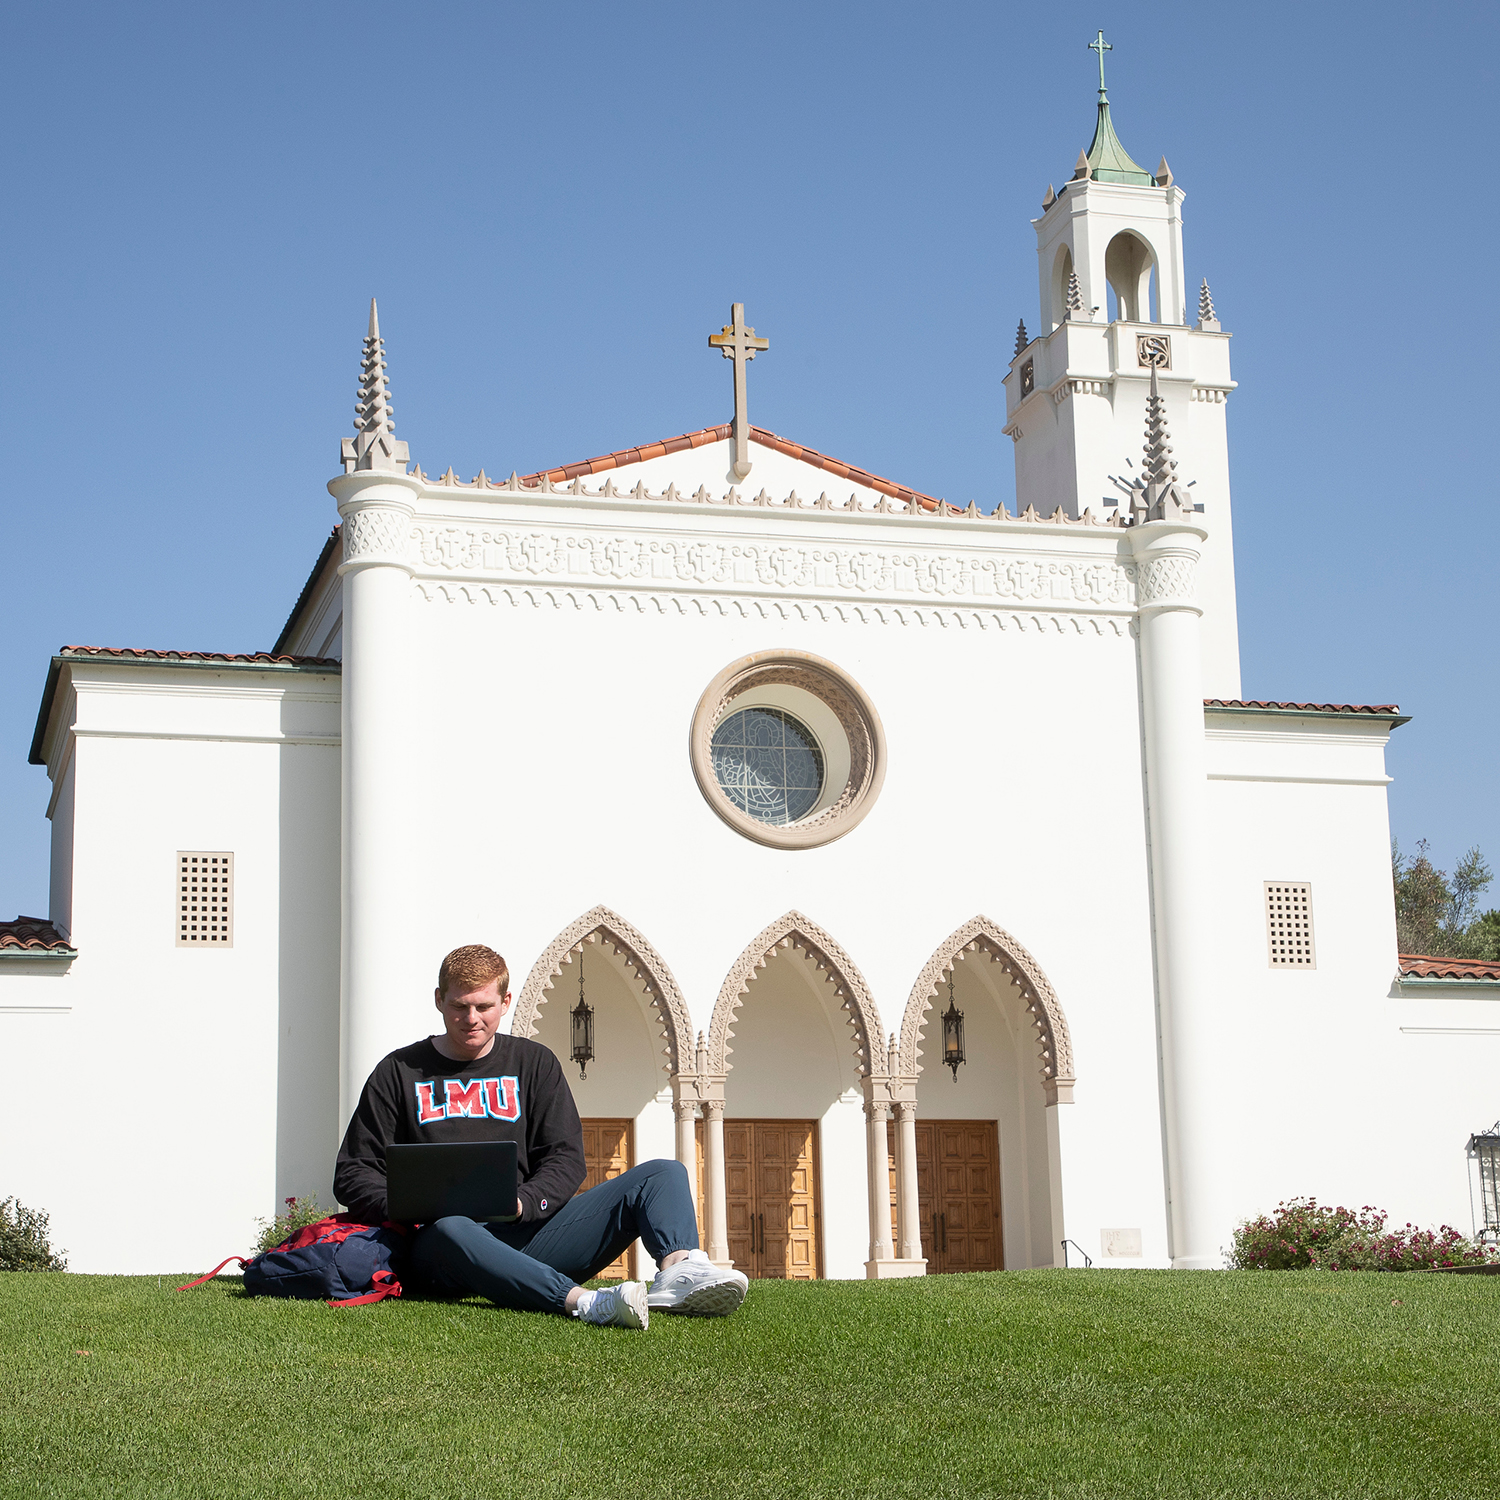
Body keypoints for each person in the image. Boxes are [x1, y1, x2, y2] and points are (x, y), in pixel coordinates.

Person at [334, 943, 748, 1329]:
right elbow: (353, 1172)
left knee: (663, 1174)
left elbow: (565, 1159)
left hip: (528, 1232)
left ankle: (680, 1274)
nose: (471, 1019)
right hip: (440, 1250)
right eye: (460, 1006)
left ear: (506, 1002)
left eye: (484, 1006)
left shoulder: (534, 1064)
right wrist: (410, 1205)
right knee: (451, 1226)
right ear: (439, 999)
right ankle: (584, 1302)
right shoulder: (398, 1071)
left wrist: (524, 1203)